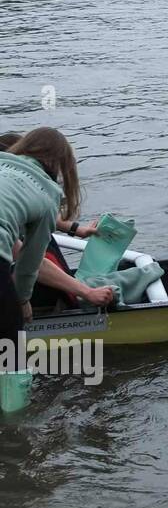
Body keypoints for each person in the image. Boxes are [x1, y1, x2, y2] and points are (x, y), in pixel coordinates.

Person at [1, 128, 82, 412]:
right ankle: (15, 431)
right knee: (10, 354)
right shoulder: (47, 195)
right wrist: (22, 301)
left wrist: (75, 229)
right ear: (61, 166)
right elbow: (29, 262)